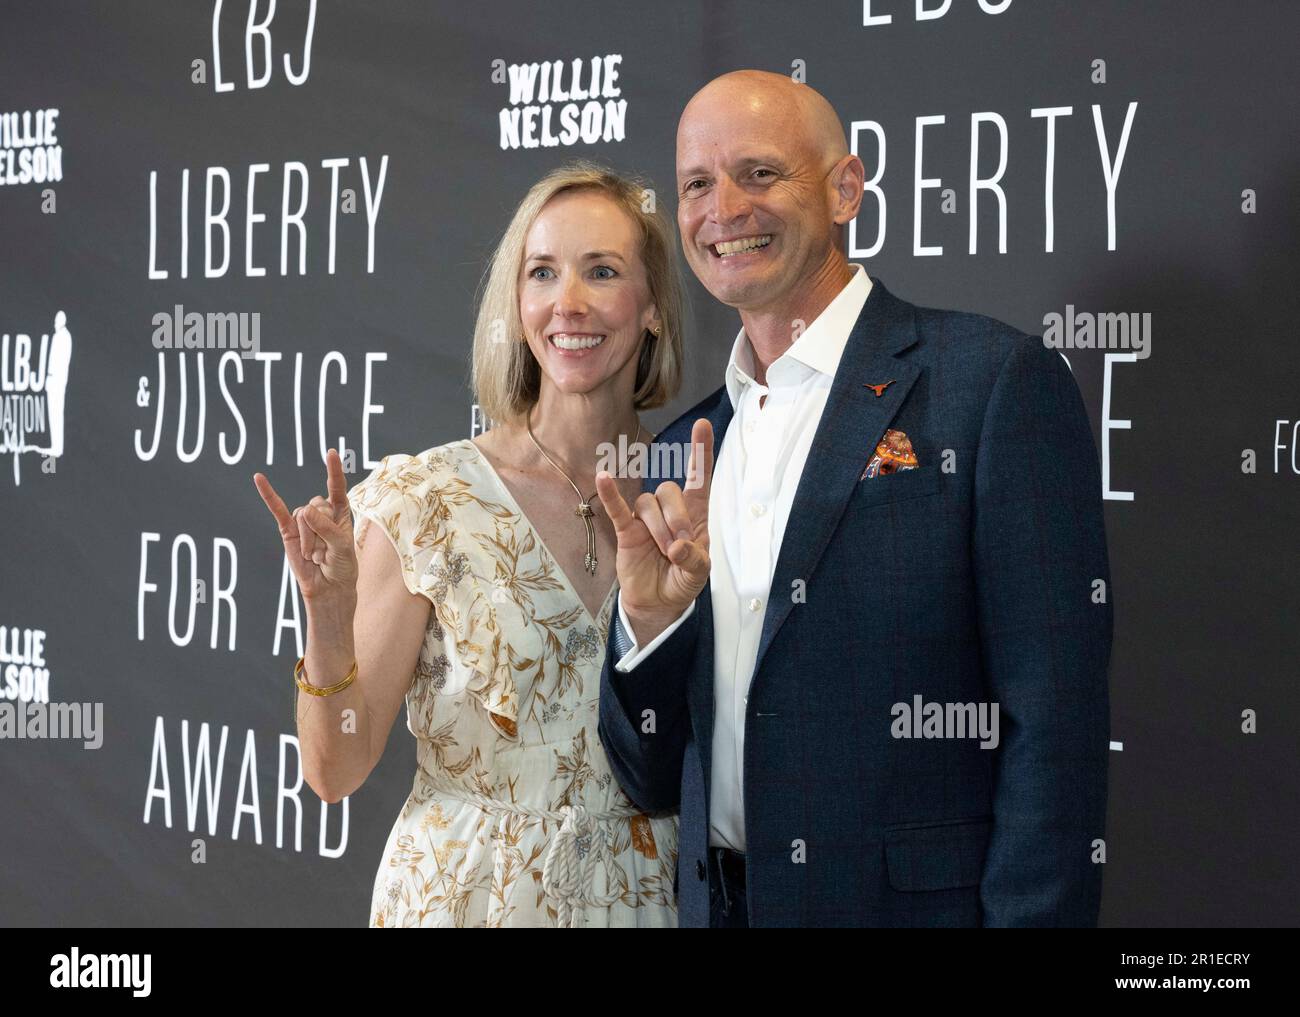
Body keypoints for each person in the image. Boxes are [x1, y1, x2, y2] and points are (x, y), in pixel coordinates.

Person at [595, 70, 1113, 928]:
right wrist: (649, 628)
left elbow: (1054, 727)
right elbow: (647, 776)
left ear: (845, 189)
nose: (722, 208)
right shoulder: (681, 454)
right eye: (696, 184)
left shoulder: (990, 387)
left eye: (759, 173)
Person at [253, 160, 687, 927]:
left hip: (646, 902)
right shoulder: (431, 499)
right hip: (468, 900)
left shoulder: (692, 500)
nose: (569, 302)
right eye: (543, 272)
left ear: (651, 306)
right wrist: (327, 619)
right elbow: (333, 770)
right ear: (517, 305)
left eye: (603, 271)